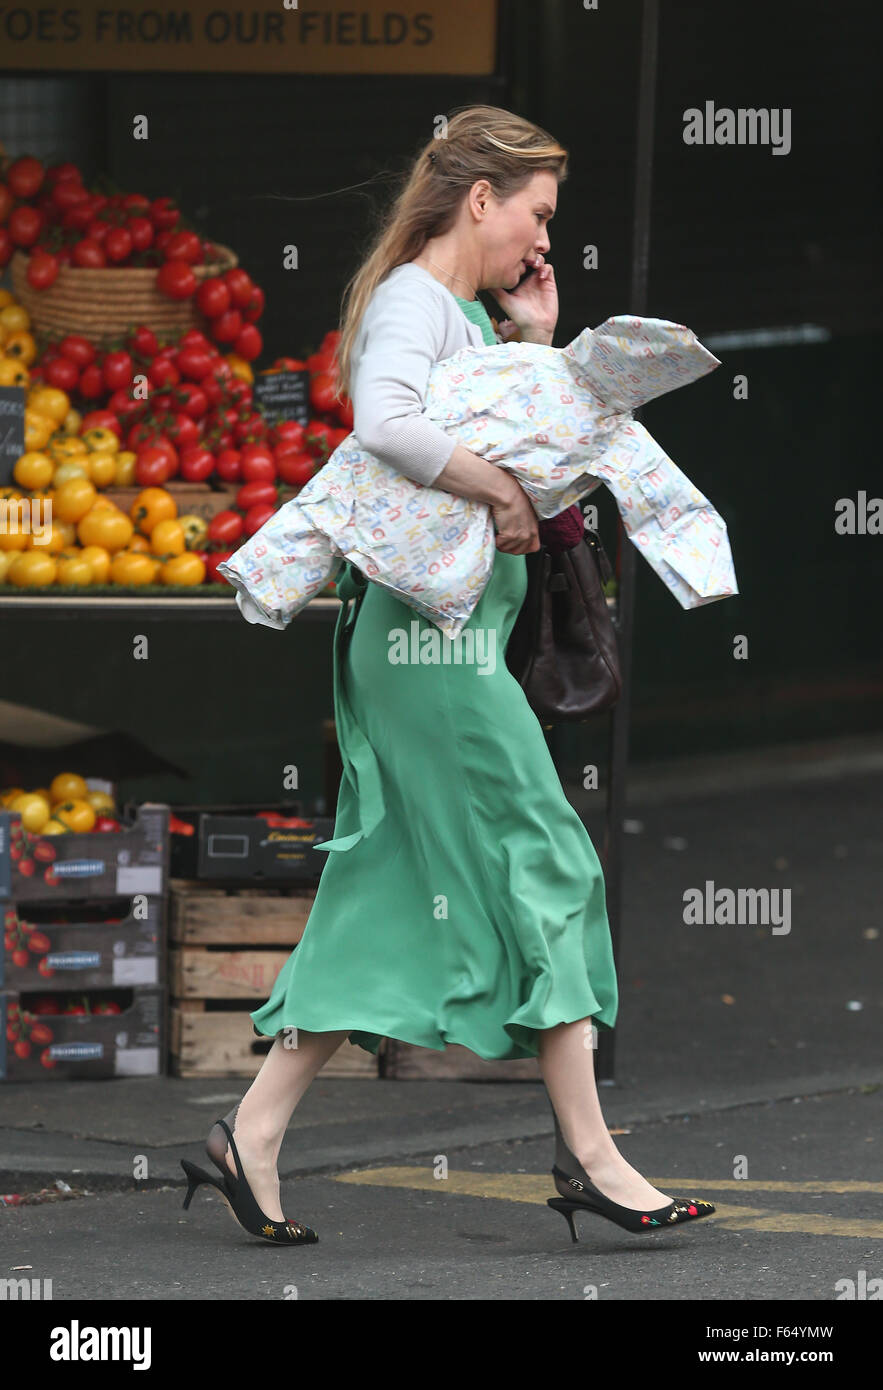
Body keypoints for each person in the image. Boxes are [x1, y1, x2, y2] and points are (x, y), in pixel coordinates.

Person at [180, 105, 715, 1245]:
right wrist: (501, 492)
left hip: (448, 643)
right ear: (481, 199)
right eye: (536, 215)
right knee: (551, 855)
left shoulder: (466, 316)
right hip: (431, 653)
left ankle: (250, 1133)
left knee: (383, 891)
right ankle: (591, 1155)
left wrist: (535, 338)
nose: (541, 241)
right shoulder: (414, 304)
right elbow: (384, 424)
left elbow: (520, 431)